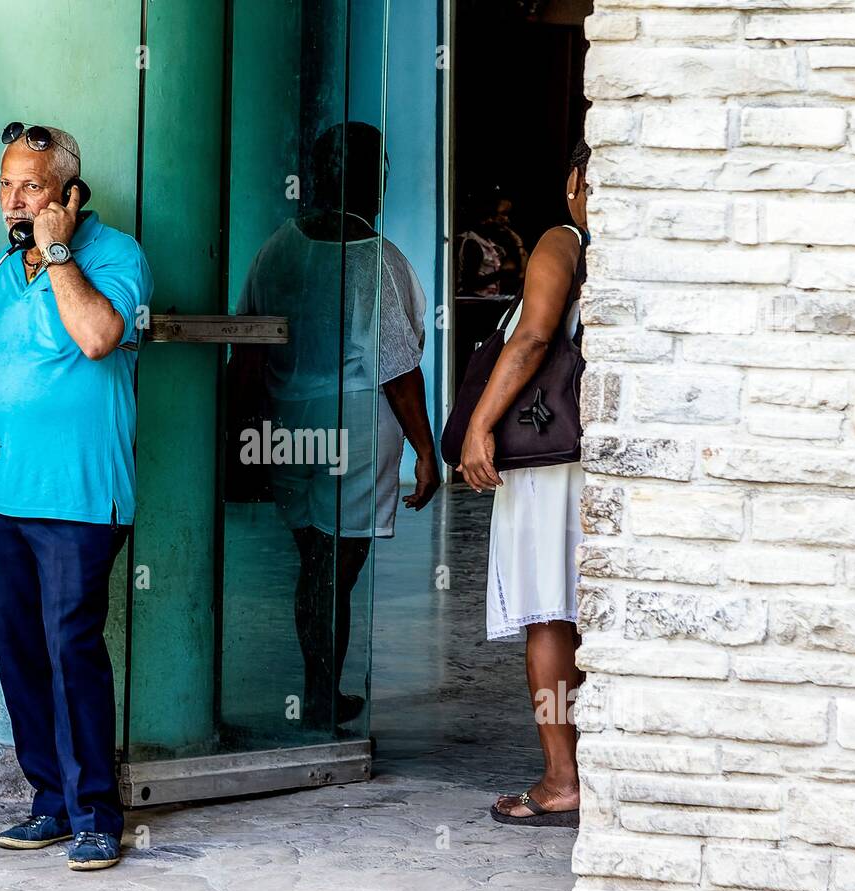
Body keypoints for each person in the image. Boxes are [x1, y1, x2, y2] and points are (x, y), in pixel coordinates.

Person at [0, 122, 153, 870]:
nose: (14, 200)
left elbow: (96, 336)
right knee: (20, 651)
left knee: (71, 648)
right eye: (8, 184)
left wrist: (56, 252)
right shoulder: (2, 268)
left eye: (31, 186)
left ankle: (97, 815)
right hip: (8, 496)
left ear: (70, 194)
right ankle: (49, 800)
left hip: (81, 500)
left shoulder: (115, 256)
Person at [236, 122, 441, 731]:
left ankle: (319, 690)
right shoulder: (376, 260)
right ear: (362, 178)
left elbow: (246, 349)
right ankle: (322, 695)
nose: (381, 180)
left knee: (317, 563)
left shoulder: (278, 246)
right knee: (335, 570)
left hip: (289, 423)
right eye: (377, 168)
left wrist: (237, 433)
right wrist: (426, 452)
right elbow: (398, 371)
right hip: (354, 427)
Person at [458, 138, 592, 827]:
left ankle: (561, 778)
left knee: (549, 613)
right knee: (583, 610)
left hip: (547, 463)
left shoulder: (561, 240)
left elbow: (535, 334)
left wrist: (480, 423)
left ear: (575, 178)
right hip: (594, 454)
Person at [455, 190, 527, 298]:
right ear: (488, 216)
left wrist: (518, 244)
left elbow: (521, 273)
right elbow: (469, 283)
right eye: (503, 214)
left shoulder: (491, 245)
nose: (506, 220)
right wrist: (501, 274)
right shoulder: (471, 243)